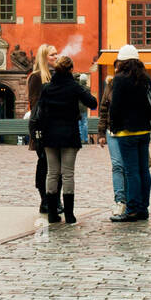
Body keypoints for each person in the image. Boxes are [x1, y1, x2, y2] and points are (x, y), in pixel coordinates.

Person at [34, 56, 97, 223]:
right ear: (70, 70)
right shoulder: (74, 87)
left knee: (52, 173)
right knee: (68, 174)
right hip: (69, 135)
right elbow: (93, 103)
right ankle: (69, 214)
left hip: (50, 136)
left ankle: (53, 214)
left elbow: (40, 111)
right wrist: (83, 87)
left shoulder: (47, 88)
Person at [108, 45, 151, 222]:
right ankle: (144, 208)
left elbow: (116, 105)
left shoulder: (119, 79)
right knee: (144, 170)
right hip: (144, 129)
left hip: (126, 132)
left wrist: (113, 125)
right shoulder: (145, 78)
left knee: (131, 171)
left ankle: (133, 209)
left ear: (122, 61)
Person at [26, 43, 57, 213]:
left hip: (54, 128)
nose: (56, 57)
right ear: (44, 57)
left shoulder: (54, 76)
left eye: (56, 54)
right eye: (52, 55)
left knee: (55, 166)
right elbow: (35, 105)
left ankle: (54, 199)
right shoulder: (36, 77)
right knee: (44, 164)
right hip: (42, 129)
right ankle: (45, 199)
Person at [95, 74, 125, 214]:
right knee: (117, 165)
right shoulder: (110, 85)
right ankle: (120, 200)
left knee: (128, 166)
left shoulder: (133, 82)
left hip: (128, 131)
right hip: (111, 131)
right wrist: (101, 133)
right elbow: (103, 110)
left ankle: (131, 199)